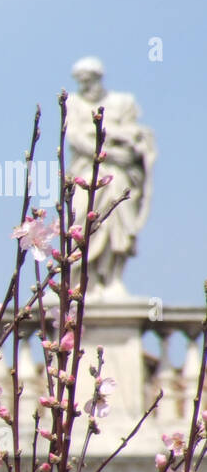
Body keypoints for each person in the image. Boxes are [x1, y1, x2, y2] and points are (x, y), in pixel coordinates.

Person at [65, 57, 155, 297]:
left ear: (98, 78)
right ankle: (81, 278)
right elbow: (75, 137)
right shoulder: (72, 103)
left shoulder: (122, 102)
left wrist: (113, 141)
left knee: (118, 213)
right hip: (87, 170)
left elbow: (136, 135)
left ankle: (112, 278)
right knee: (82, 217)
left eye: (89, 81)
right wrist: (111, 152)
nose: (85, 86)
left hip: (117, 174)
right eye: (80, 82)